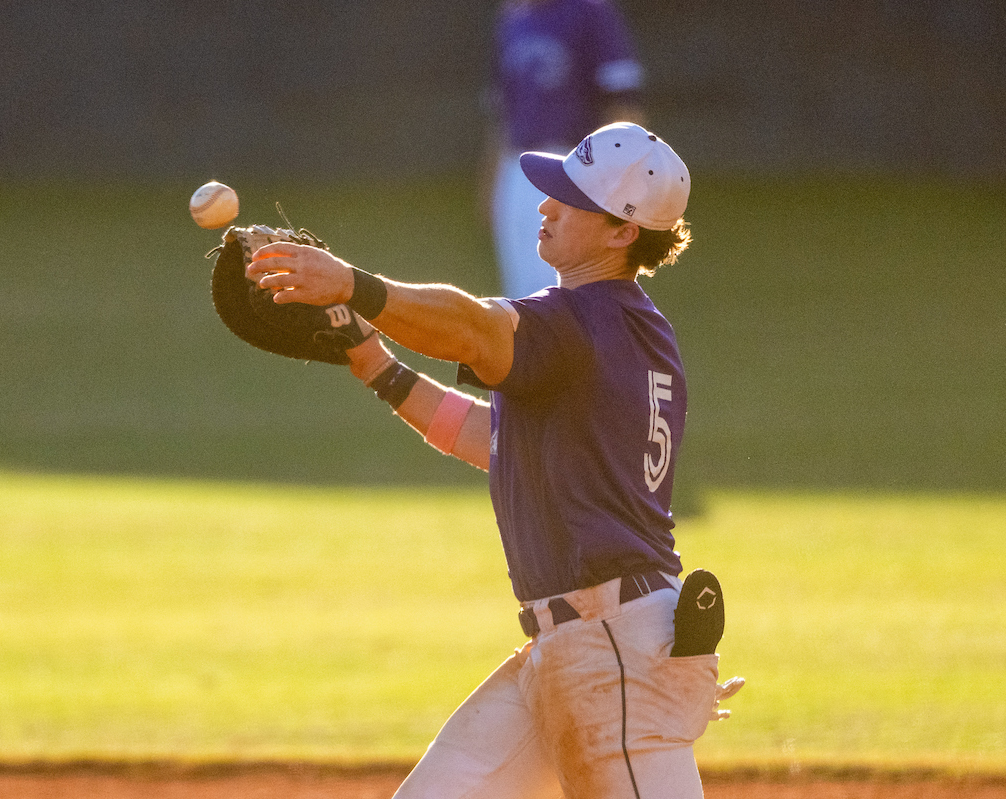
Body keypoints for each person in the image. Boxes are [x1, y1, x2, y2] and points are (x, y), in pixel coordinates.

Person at [246, 122, 741, 799]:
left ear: (622, 231)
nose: (545, 205)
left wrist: (354, 285)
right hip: (584, 649)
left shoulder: (578, 323)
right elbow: (502, 442)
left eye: (570, 197)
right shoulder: (636, 331)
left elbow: (475, 326)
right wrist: (374, 363)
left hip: (614, 655)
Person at [484, 0, 646, 299]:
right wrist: (495, 183)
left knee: (569, 293)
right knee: (522, 295)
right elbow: (504, 113)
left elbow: (622, 103)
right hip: (517, 166)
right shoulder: (513, 17)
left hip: (574, 165)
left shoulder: (590, 11)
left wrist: (621, 178)